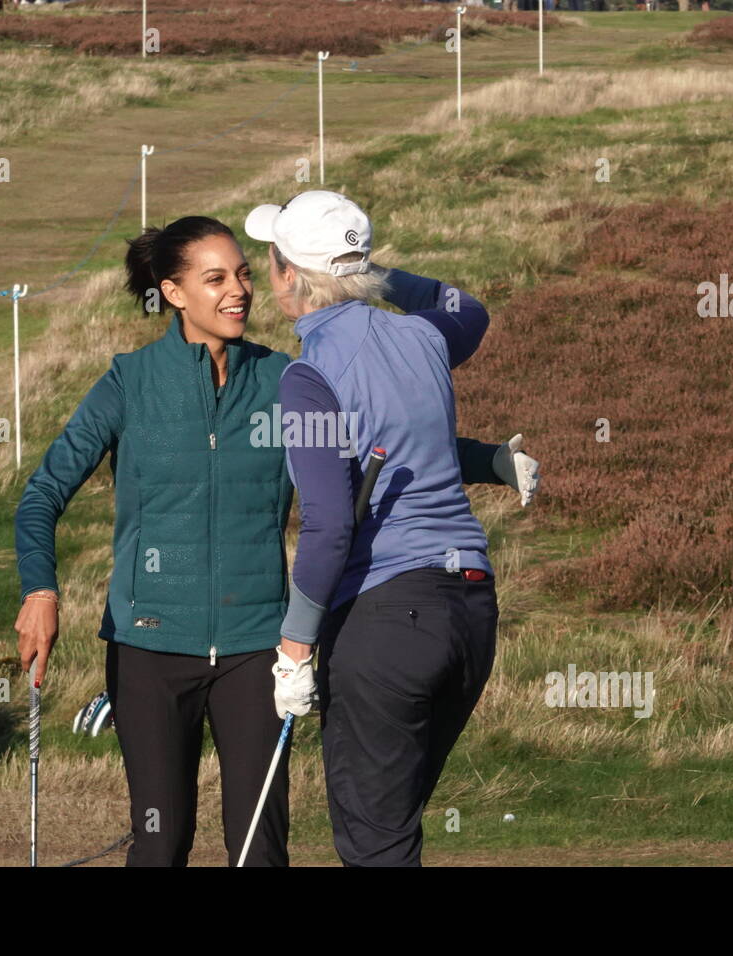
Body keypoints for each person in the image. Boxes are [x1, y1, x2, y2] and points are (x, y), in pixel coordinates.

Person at [244, 190, 539, 866]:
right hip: (470, 609)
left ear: (290, 274)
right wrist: (373, 273)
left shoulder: (308, 375)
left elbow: (325, 526)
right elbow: (470, 308)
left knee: (376, 843)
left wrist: (293, 653)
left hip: (387, 623)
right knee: (391, 828)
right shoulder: (421, 336)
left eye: (273, 259)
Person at [13, 216, 298, 867]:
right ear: (172, 292)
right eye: (217, 278)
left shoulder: (285, 382)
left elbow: (375, 450)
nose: (239, 291)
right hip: (148, 647)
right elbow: (41, 497)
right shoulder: (130, 382)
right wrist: (40, 589)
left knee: (260, 849)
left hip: (258, 647)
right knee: (161, 841)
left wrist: (484, 461)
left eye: (245, 275)